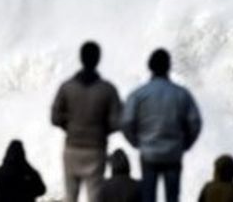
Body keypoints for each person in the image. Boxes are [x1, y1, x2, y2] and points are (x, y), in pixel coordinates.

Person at [121, 48, 202, 202]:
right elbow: (195, 122)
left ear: (150, 67)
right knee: (172, 197)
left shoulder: (138, 94)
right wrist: (185, 144)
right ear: (168, 66)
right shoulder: (181, 94)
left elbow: (126, 122)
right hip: (173, 153)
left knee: (148, 197)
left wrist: (137, 142)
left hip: (148, 153)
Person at [51, 41, 122, 202]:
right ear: (98, 59)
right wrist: (101, 131)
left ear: (80, 58)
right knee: (95, 197)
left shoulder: (67, 87)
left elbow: (55, 118)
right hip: (96, 150)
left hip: (72, 148)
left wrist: (70, 127)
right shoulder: (107, 89)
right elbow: (117, 122)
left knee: (71, 197)